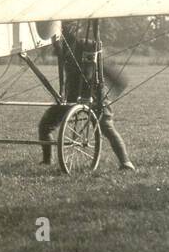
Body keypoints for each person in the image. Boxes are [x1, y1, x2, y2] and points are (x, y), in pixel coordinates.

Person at [38, 22, 135, 170]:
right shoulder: (62, 48)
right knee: (45, 125)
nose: (57, 40)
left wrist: (114, 84)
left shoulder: (86, 45)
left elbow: (104, 69)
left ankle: (126, 162)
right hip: (71, 96)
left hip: (93, 96)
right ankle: (47, 160)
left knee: (106, 127)